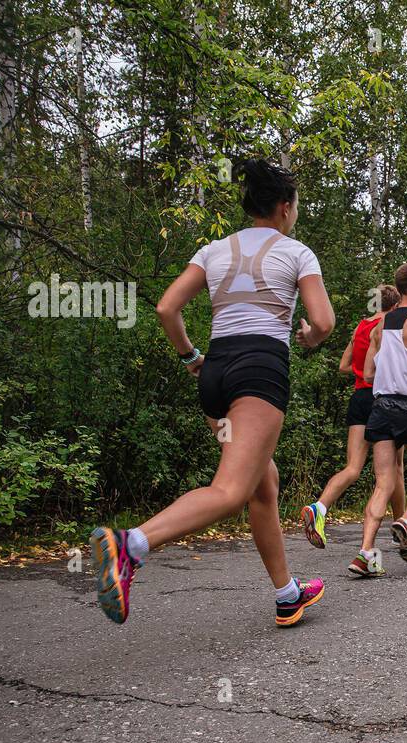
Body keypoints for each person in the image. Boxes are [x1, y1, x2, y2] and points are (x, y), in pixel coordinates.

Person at [88, 159, 334, 628]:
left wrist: (190, 357)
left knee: (264, 484)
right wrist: (307, 338)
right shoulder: (298, 252)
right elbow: (323, 322)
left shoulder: (213, 251)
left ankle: (287, 594)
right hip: (258, 375)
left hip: (215, 377)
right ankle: (131, 544)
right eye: (295, 205)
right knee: (231, 489)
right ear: (285, 207)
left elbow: (166, 307)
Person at [349, 262, 407, 577]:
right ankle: (405, 520)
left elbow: (368, 372)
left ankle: (366, 555)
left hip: (381, 407)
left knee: (383, 483)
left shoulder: (381, 324)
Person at [301, 284, 406, 547]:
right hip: (383, 399)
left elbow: (343, 366)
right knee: (395, 468)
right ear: (394, 306)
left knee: (352, 467)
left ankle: (320, 508)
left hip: (359, 398)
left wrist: (361, 371)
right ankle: (403, 524)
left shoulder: (361, 327)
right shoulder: (390, 326)